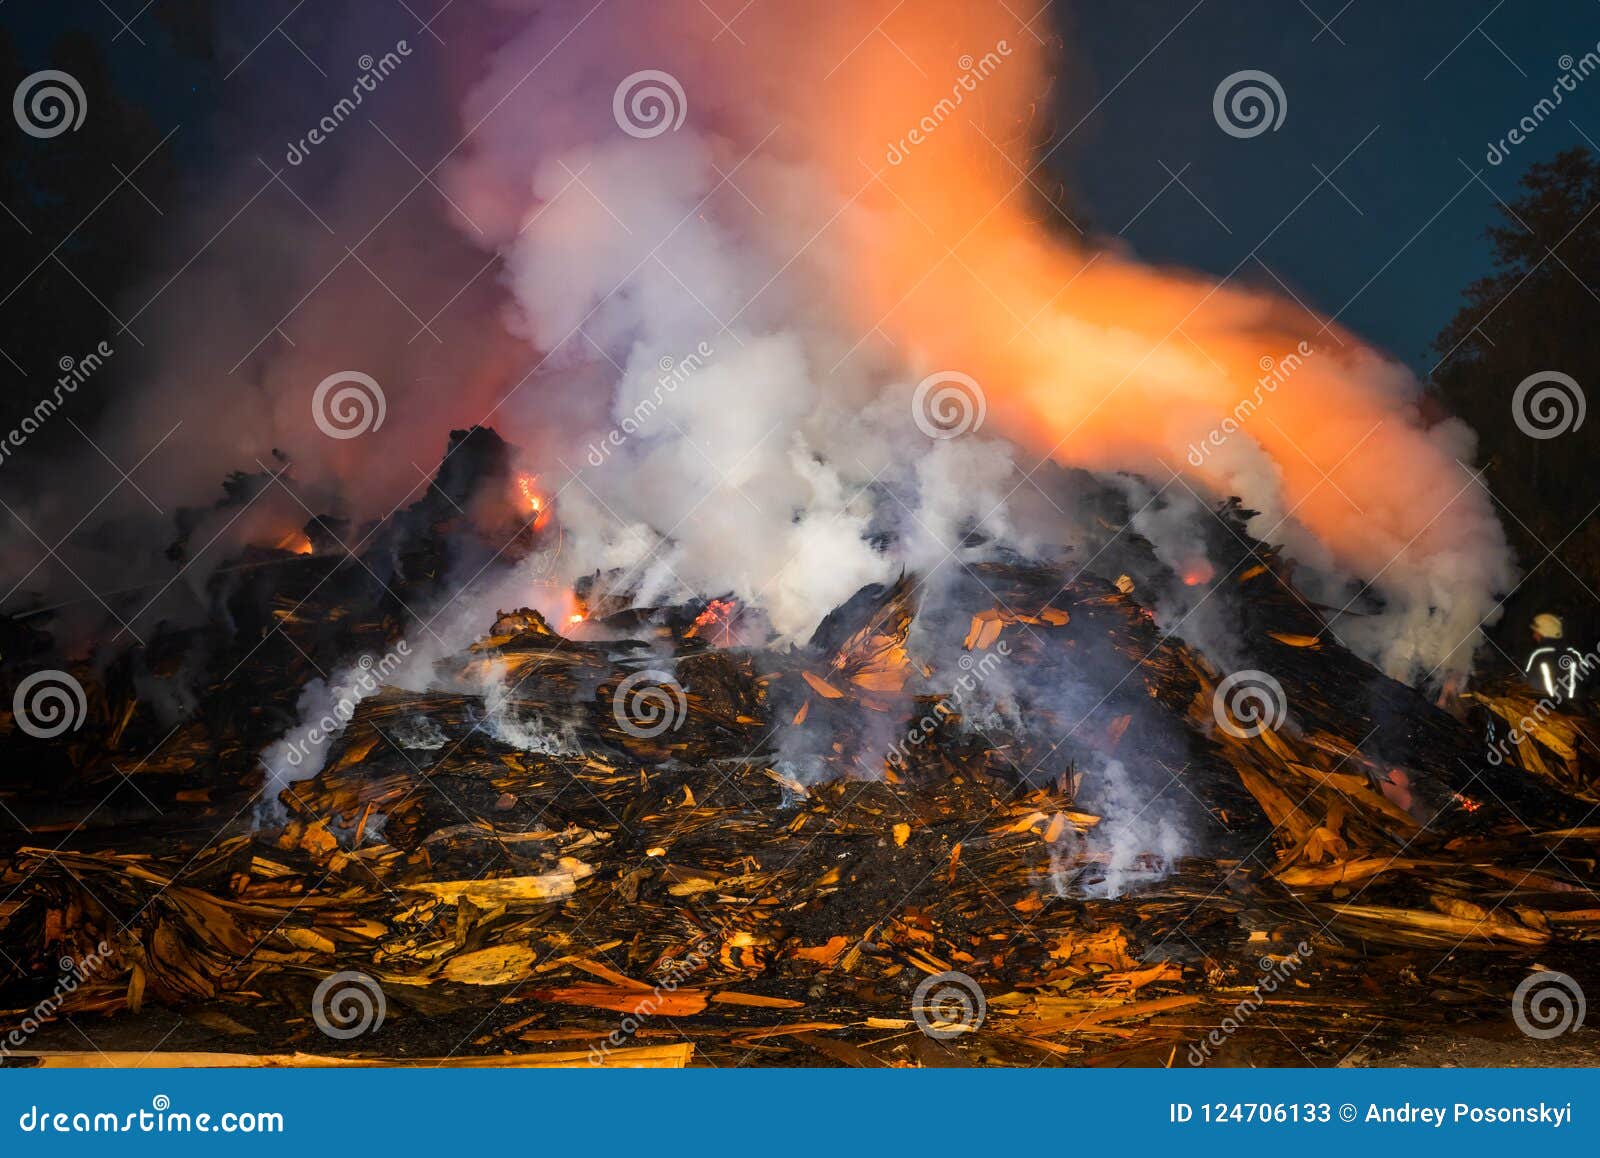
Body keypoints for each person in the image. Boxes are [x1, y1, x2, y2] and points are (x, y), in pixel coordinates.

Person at [1523, 613, 1591, 703]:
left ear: (1544, 633)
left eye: (1536, 632)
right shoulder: (1575, 654)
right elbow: (1587, 679)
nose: (1534, 636)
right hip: (1576, 707)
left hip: (1547, 707)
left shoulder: (1538, 655)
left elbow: (1526, 682)